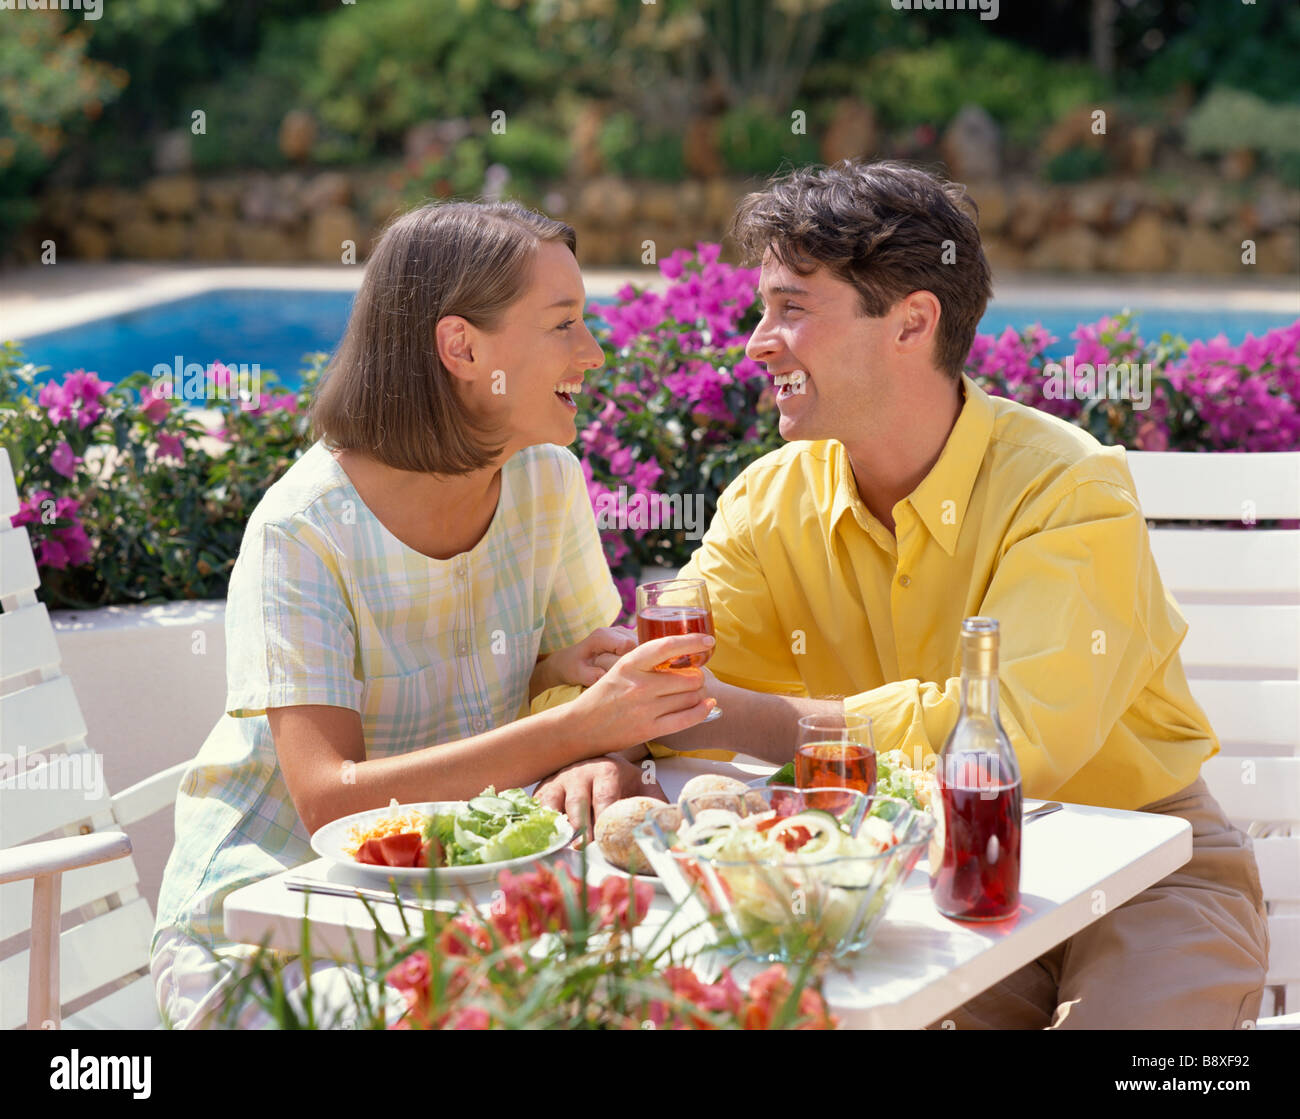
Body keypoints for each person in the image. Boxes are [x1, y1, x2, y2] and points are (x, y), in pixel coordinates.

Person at [535, 160, 1270, 1029]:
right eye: (763, 307)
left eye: (793, 309)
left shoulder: (1068, 488)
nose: (756, 341)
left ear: (912, 322)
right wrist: (599, 749)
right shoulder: (771, 500)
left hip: (1149, 869)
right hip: (913, 885)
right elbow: (642, 669)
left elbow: (1016, 740)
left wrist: (733, 717)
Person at [151, 200, 714, 1029]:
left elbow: (589, 709)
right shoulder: (302, 530)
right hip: (263, 931)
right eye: (563, 325)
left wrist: (590, 727)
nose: (592, 354)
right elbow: (330, 803)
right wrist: (575, 729)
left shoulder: (544, 480)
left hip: (443, 910)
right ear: (462, 347)